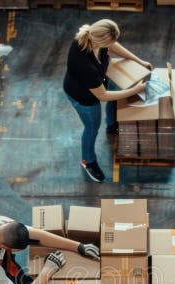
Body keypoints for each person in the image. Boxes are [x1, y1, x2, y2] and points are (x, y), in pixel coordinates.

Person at [63, 19, 152, 183]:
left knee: (116, 93)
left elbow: (113, 46)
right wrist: (136, 90)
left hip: (100, 78)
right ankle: (88, 161)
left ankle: (112, 124)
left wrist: (138, 61)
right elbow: (102, 96)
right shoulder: (83, 63)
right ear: (99, 41)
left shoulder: (94, 35)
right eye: (109, 42)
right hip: (83, 96)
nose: (111, 45)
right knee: (91, 127)